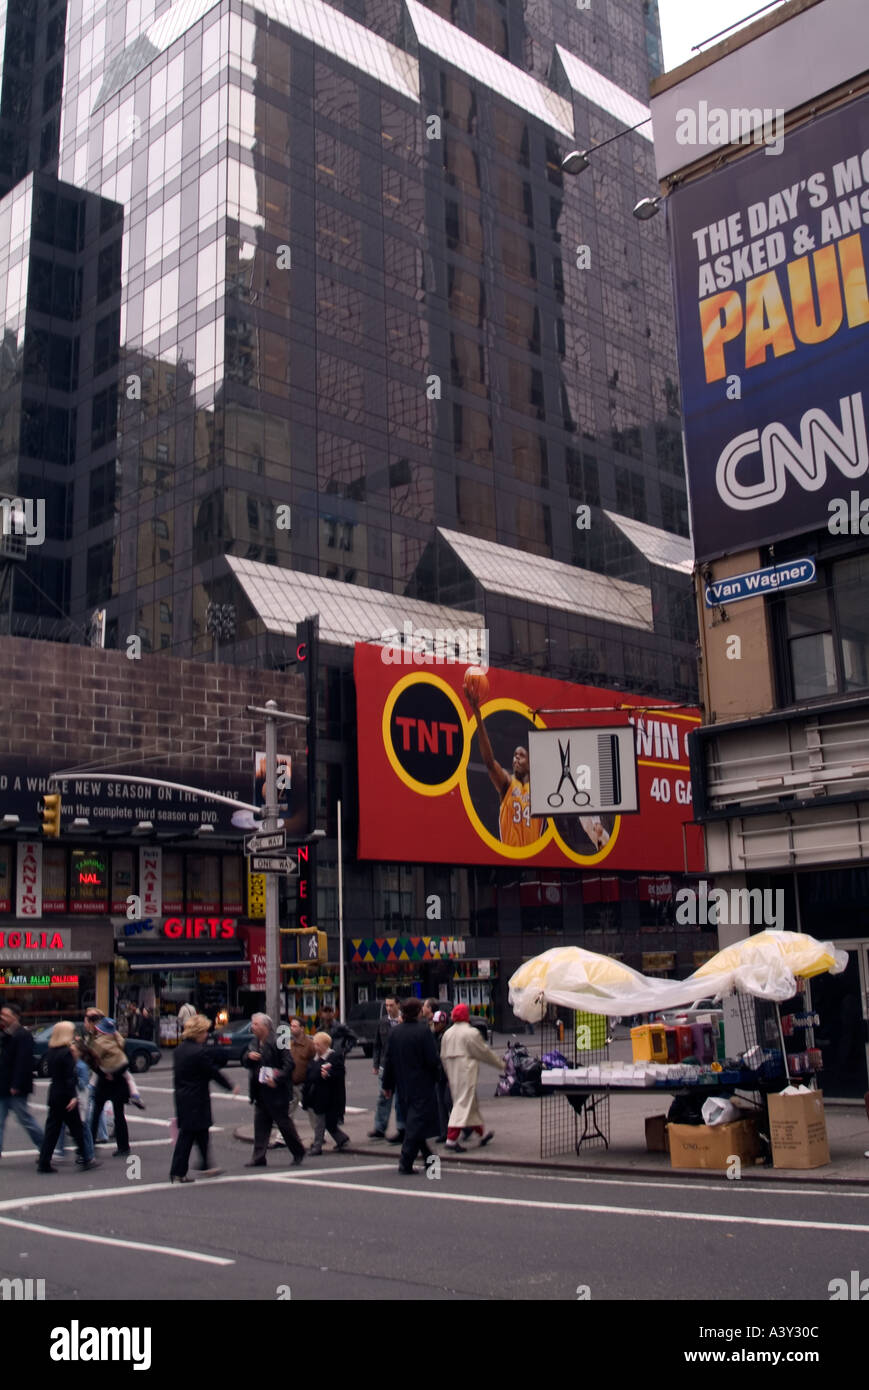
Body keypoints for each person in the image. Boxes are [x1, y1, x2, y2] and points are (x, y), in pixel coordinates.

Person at [465, 688, 543, 846]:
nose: (515, 759)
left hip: (535, 859)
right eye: (514, 755)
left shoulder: (540, 791)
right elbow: (489, 762)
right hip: (510, 856)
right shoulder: (508, 783)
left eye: (520, 755)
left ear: (530, 762)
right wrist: (478, 717)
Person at [170, 1013, 238, 1183]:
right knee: (188, 1136)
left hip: (182, 1096)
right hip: (196, 1098)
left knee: (201, 1133)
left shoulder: (179, 1050)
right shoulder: (198, 1053)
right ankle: (178, 1171)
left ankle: (206, 1165)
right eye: (204, 1032)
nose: (207, 1035)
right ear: (198, 1032)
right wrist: (230, 1086)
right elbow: (212, 1072)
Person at [381, 997, 440, 1175]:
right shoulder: (423, 1032)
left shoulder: (395, 1032)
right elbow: (432, 1060)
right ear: (417, 1012)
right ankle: (405, 1162)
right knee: (415, 1125)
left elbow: (388, 1061)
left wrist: (387, 1084)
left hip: (403, 1084)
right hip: (422, 1084)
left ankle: (431, 1159)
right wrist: (437, 1077)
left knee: (414, 1123)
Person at [37, 1024, 100, 1173]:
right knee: (77, 1128)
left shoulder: (51, 1051)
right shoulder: (66, 1053)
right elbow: (69, 1077)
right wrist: (73, 1096)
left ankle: (44, 1161)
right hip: (65, 1095)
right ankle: (85, 1158)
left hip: (54, 1093)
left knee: (52, 1130)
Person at [440, 1003, 503, 1152]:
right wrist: (500, 1064)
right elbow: (484, 1052)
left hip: (453, 1072)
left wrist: (448, 1073)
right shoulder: (471, 1032)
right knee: (462, 1104)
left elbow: (442, 1056)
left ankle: (481, 1134)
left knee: (470, 1104)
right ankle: (451, 1139)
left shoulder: (447, 1034)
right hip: (466, 1072)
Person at [245, 1012, 305, 1167]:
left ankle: (298, 1151)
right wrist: (248, 1057)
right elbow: (244, 1060)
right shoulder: (254, 1042)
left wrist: (276, 1079)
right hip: (260, 1090)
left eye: (255, 1024)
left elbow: (289, 1064)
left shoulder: (279, 1040)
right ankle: (258, 1156)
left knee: (284, 1124)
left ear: (265, 1026)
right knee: (260, 1124)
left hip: (276, 1091)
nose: (253, 1027)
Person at [0, 1003, 44, 1156]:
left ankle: (45, 1147)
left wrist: (16, 1084)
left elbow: (23, 1062)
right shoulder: (6, 1034)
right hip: (4, 1086)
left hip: (15, 1087)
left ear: (16, 1016)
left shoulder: (23, 1035)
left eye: (6, 1015)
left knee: (25, 1120)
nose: (3, 1018)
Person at [89, 1017, 132, 1157]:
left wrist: (104, 1074)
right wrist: (115, 1074)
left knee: (96, 1112)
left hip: (104, 1082)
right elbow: (125, 1062)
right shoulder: (118, 1040)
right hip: (119, 1081)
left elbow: (93, 1062)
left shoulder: (99, 1043)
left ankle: (89, 1145)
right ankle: (124, 1147)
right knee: (119, 1115)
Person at [302, 1032, 350, 1154]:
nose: (315, 1047)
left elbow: (340, 1073)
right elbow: (309, 1076)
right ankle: (341, 1138)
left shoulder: (334, 1057)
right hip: (318, 1096)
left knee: (321, 1122)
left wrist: (328, 1074)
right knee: (327, 1122)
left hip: (330, 1096)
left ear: (323, 1045)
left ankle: (317, 1146)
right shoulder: (315, 1059)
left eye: (317, 1044)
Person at [368, 996, 404, 1141]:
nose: (389, 1008)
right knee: (383, 1097)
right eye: (387, 1005)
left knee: (400, 1099)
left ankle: (402, 1128)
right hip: (385, 1064)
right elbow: (377, 1044)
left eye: (391, 1005)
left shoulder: (404, 1020)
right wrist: (375, 1065)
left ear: (398, 1005)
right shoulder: (383, 1021)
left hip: (401, 1065)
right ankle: (379, 1127)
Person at [55, 1042, 97, 1164]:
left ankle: (88, 1153)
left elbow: (83, 1084)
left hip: (80, 1099)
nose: (70, 1052)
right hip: (71, 1097)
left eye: (73, 1050)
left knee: (83, 1126)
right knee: (65, 1124)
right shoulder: (72, 1063)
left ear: (79, 1053)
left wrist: (72, 1078)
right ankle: (62, 1151)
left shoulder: (81, 1066)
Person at [288, 1017, 315, 1129]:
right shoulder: (290, 1044)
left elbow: (315, 1063)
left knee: (311, 1110)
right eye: (291, 1026)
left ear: (302, 1028)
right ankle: (283, 1137)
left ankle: (319, 1136)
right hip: (292, 1084)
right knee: (288, 1111)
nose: (291, 1028)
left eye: (295, 1026)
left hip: (305, 1084)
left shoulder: (310, 1045)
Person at [431, 1010, 453, 1143]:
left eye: (437, 1023)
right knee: (441, 1104)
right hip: (439, 1073)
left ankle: (464, 1127)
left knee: (448, 1101)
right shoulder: (434, 1035)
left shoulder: (447, 1035)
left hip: (448, 1073)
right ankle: (444, 1132)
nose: (434, 1025)